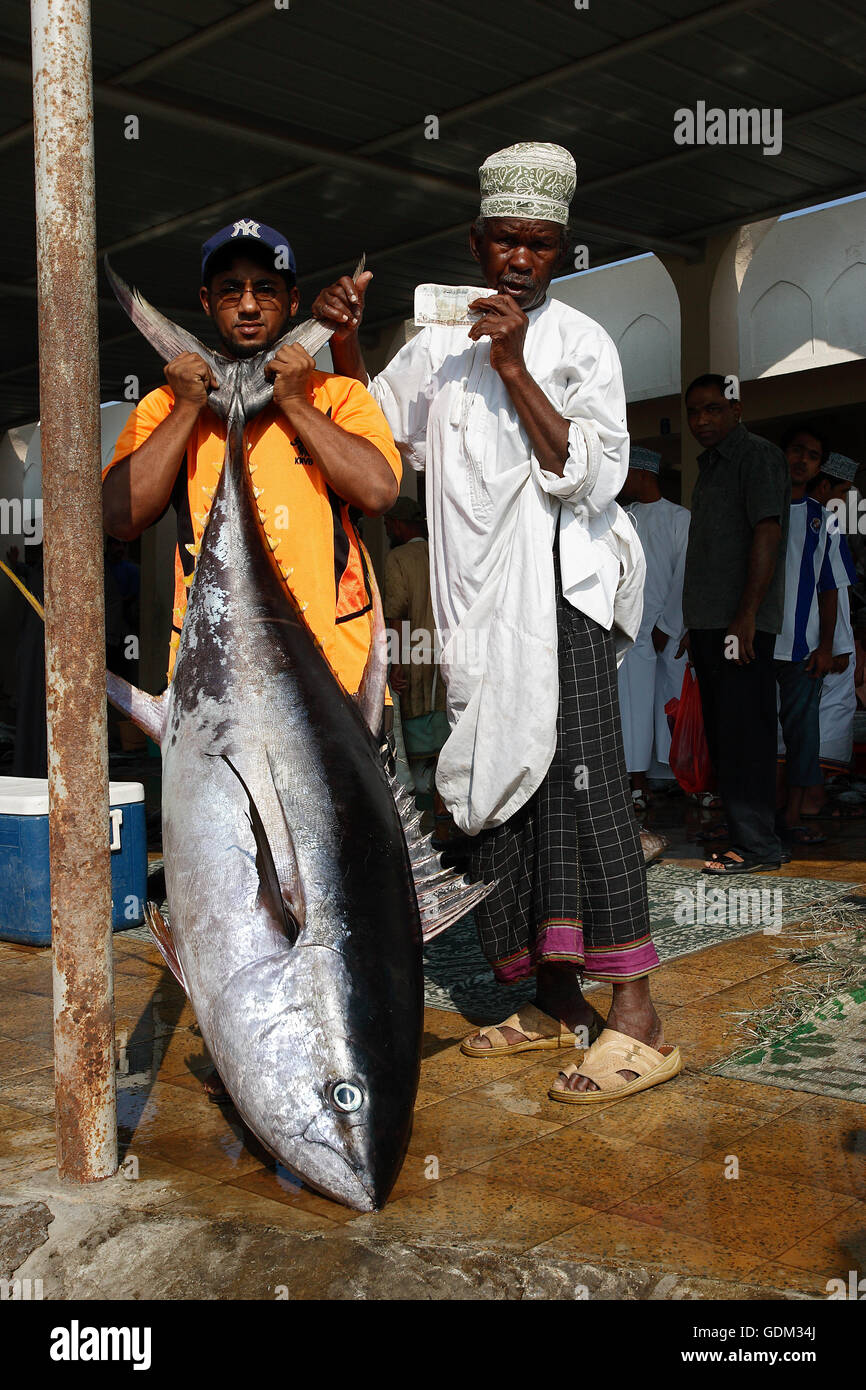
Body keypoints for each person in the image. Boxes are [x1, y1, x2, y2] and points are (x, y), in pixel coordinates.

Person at [314, 142, 680, 1105]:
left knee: (587, 794)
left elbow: (591, 475)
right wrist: (348, 344)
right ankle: (547, 995)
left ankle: (636, 1015)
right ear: (477, 241)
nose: (520, 261)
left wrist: (516, 366)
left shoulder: (582, 345)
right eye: (505, 242)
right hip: (474, 604)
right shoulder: (434, 346)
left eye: (541, 246)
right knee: (494, 800)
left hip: (563, 595)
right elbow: (379, 453)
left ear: (562, 251)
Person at [102, 218, 402, 1098]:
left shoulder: (340, 394)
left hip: (336, 696)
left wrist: (300, 400)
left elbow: (379, 491)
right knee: (242, 877)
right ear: (204, 303)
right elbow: (122, 514)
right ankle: (263, 1044)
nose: (246, 303)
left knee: (342, 896)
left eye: (264, 289)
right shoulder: (165, 408)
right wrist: (194, 404)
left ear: (287, 298)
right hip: (219, 702)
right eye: (228, 290)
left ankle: (328, 1044)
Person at [680, 375, 790, 875]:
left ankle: (760, 846)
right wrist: (697, 623)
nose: (702, 420)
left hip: (737, 627)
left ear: (735, 409)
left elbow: (766, 534)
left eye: (712, 409)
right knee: (726, 733)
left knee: (746, 732)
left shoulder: (758, 457)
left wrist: (744, 617)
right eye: (694, 412)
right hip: (711, 625)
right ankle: (748, 834)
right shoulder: (710, 467)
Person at [772, 423, 840, 846]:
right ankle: (753, 816)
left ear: (818, 467)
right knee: (752, 734)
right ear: (782, 454)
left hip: (803, 649)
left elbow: (830, 588)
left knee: (802, 735)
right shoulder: (759, 508)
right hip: (756, 646)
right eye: (796, 450)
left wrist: (828, 646)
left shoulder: (825, 521)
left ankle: (793, 816)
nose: (802, 460)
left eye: (812, 456)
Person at [616, 446, 689, 809]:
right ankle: (637, 781)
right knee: (634, 706)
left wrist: (668, 624)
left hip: (670, 631)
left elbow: (685, 576)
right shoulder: (622, 517)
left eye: (626, 472)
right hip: (632, 630)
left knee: (674, 703)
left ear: (644, 474)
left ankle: (681, 777)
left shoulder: (679, 518)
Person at [383, 496, 452, 840]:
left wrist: (395, 663)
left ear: (397, 525)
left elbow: (396, 616)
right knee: (447, 743)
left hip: (414, 661)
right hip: (449, 659)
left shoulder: (398, 558)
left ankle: (430, 825)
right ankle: (445, 817)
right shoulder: (444, 553)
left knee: (418, 754)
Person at [802, 451, 860, 813]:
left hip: (804, 641)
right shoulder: (826, 521)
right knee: (831, 711)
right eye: (845, 491)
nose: (849, 501)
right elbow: (832, 591)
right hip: (823, 641)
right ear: (825, 486)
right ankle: (814, 797)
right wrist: (838, 643)